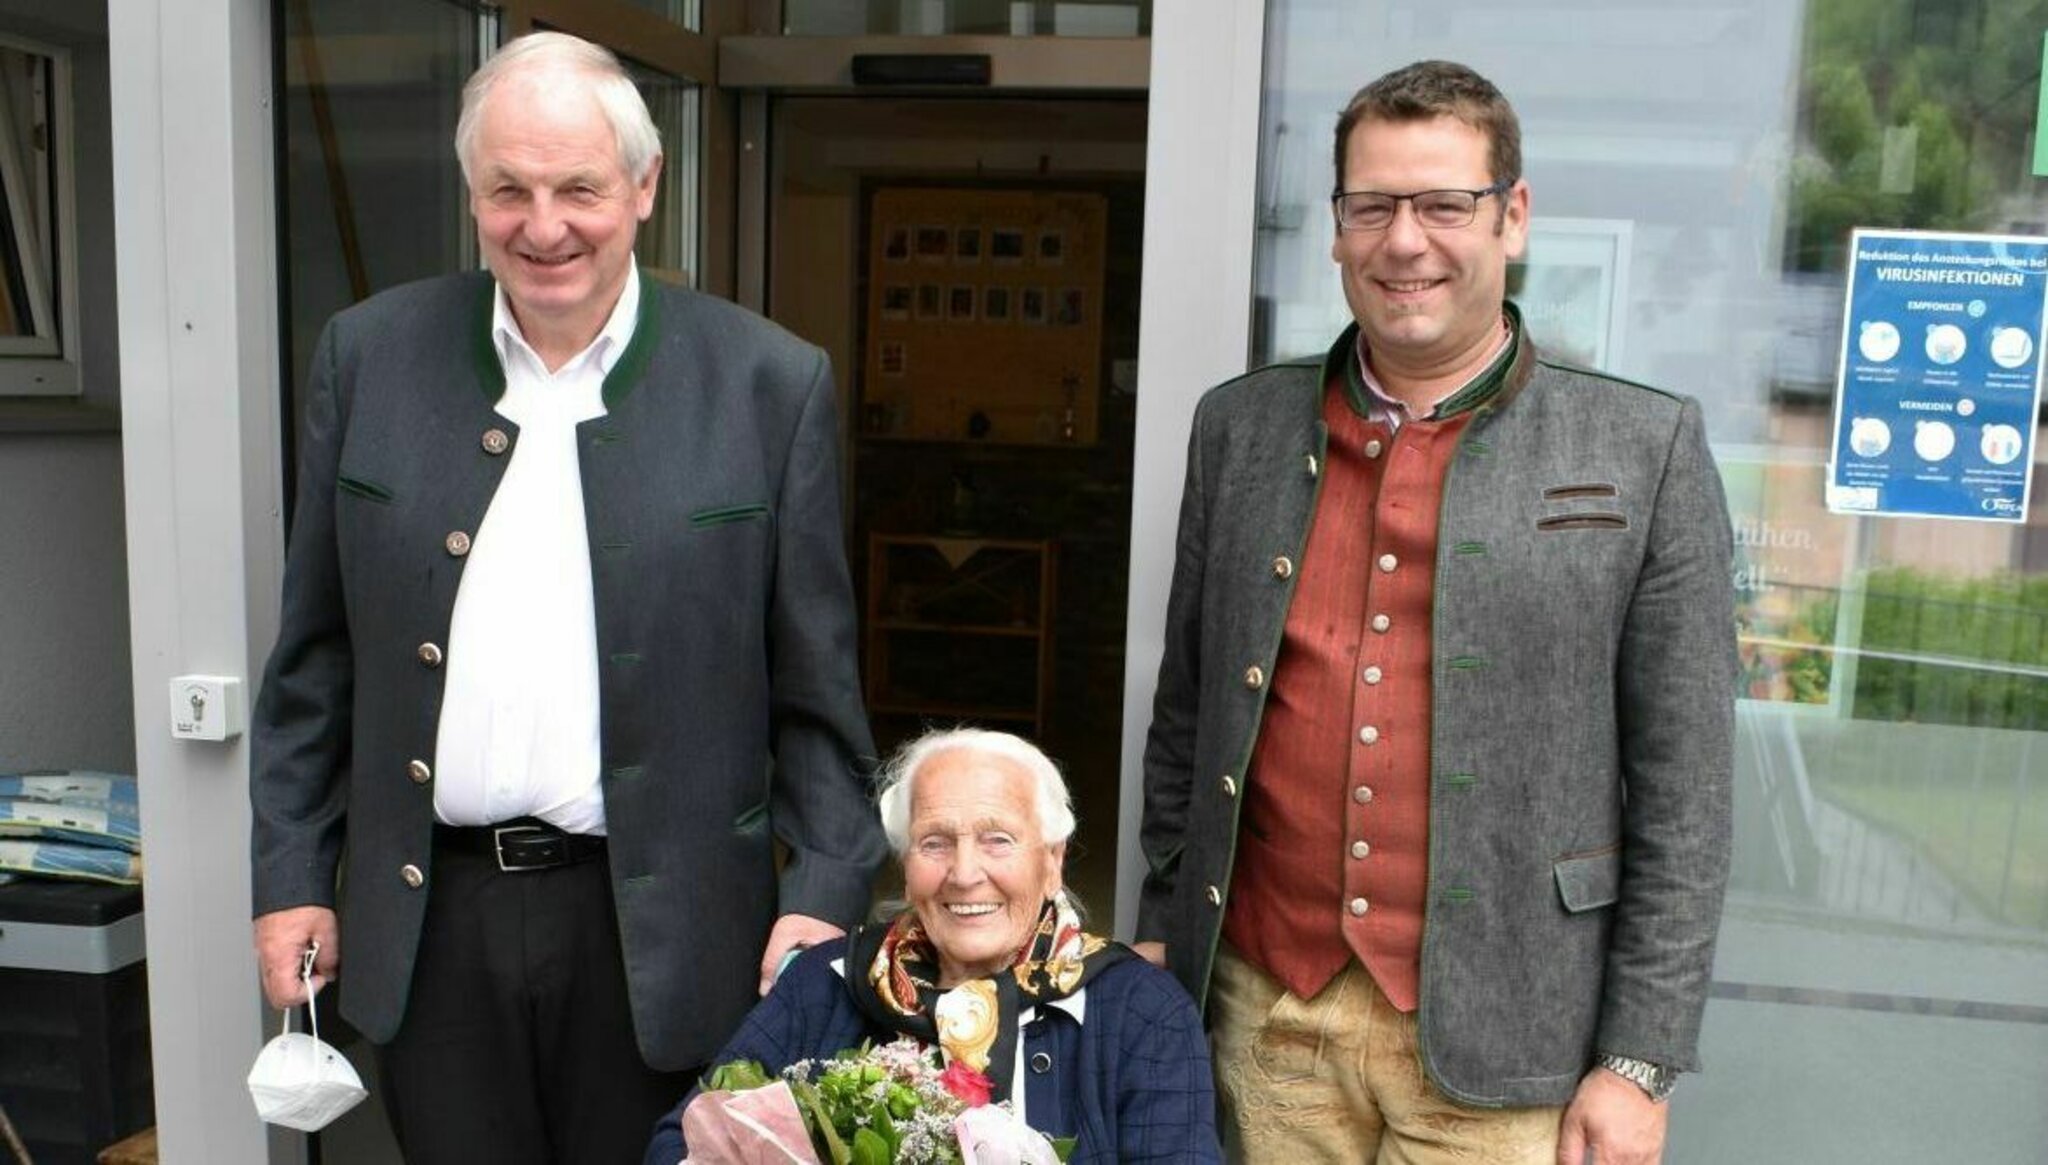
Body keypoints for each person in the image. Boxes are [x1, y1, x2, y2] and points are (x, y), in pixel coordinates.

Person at [247, 31, 886, 1164]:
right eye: (509, 190)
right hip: (434, 927)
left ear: (644, 186)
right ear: (472, 193)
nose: (543, 227)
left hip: (669, 935)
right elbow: (316, 658)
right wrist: (293, 874)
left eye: (578, 188)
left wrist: (825, 892)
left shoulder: (767, 384)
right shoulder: (367, 357)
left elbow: (818, 694)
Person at [1136, 60, 1735, 1165]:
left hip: (1515, 1041)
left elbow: (1685, 795)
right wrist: (1159, 934)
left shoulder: (1643, 447)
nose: (1404, 241)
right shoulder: (1238, 429)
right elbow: (1186, 716)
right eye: (1372, 206)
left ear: (1513, 216)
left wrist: (1638, 1060)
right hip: (1269, 1017)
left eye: (1443, 204)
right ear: (1336, 229)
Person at [646, 729, 1222, 1165]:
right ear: (906, 866)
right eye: (935, 843)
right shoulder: (826, 981)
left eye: (997, 840)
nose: (964, 874)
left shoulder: (1142, 1012)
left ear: (1052, 861)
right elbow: (679, 1140)